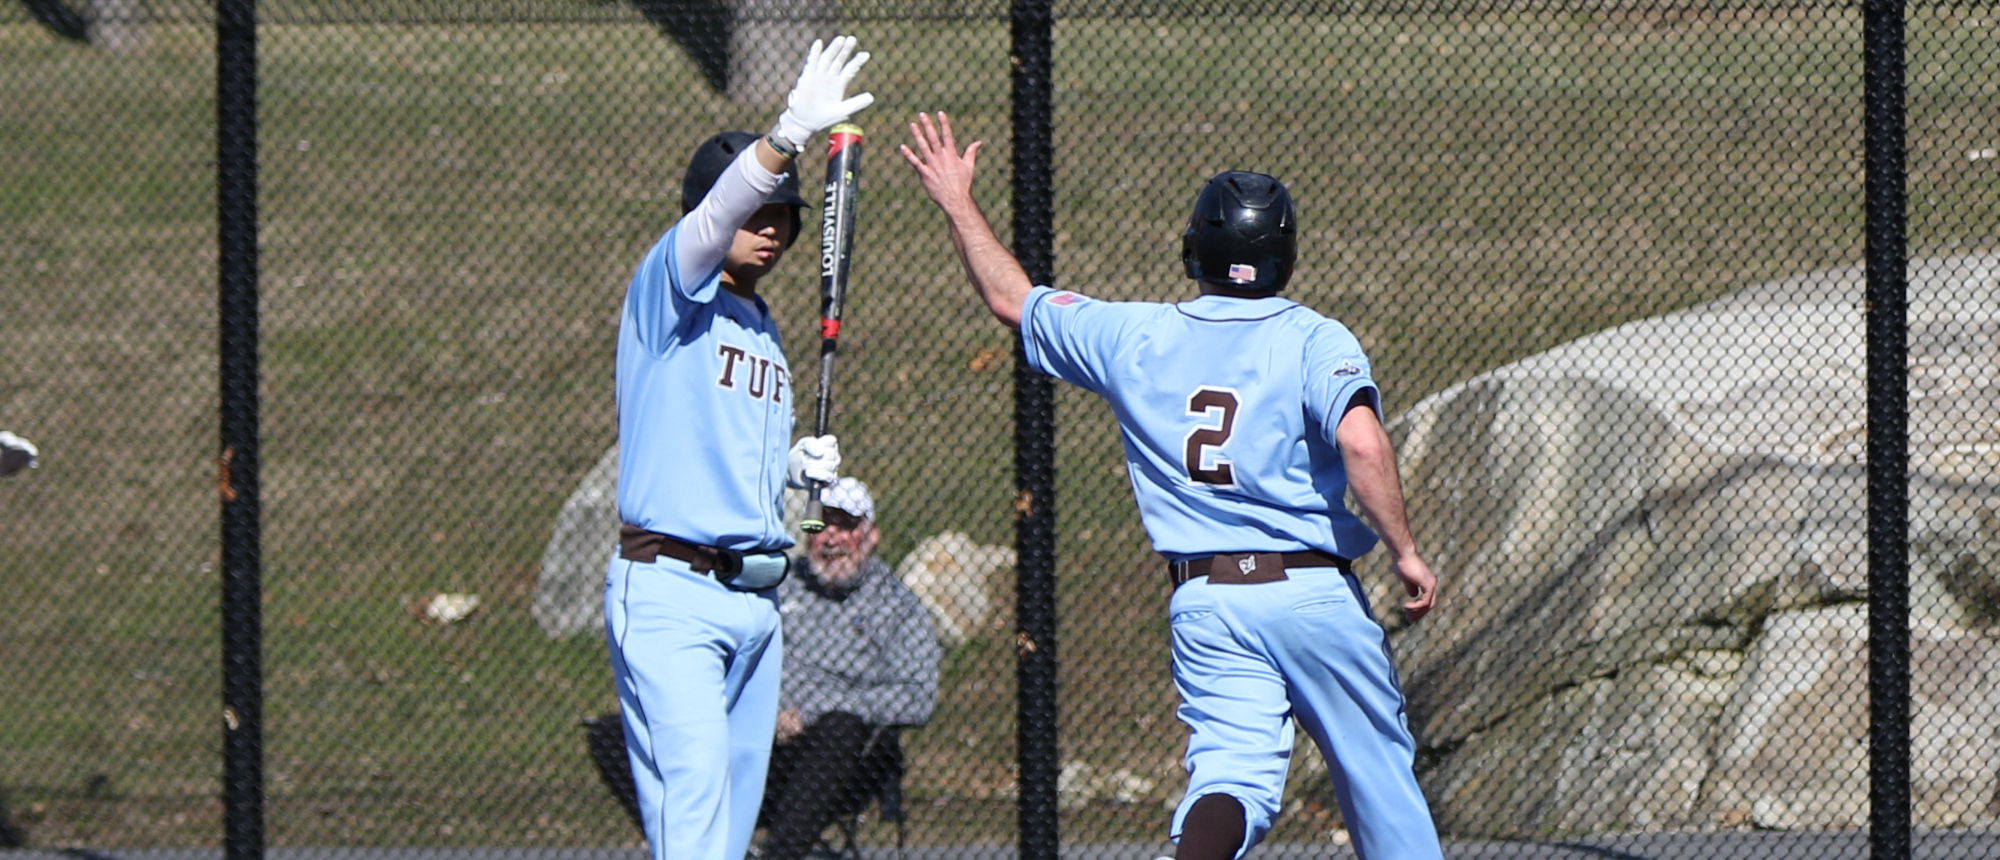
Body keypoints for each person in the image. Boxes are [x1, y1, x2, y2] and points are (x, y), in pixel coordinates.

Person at [899, 113, 1444, 860]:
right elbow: (1360, 441)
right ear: (1284, 257)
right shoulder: (1314, 336)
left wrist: (959, 201)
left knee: (1230, 776)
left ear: (1197, 249)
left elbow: (1013, 301)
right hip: (1311, 590)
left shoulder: (1135, 335)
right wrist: (1404, 550)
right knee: (1377, 776)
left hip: (1208, 598)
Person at [604, 36, 874, 860]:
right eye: (756, 213)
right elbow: (715, 218)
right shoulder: (667, 293)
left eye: (781, 217)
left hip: (756, 603)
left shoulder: (762, 325)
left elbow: (742, 472)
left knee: (722, 833)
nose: (769, 229)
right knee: (693, 808)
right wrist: (787, 135)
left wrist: (792, 478)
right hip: (672, 593)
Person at [757, 477, 940, 860]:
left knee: (840, 727)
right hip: (758, 748)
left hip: (844, 769)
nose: (831, 538)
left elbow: (917, 696)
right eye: (820, 525)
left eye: (846, 525)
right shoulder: (778, 587)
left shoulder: (897, 606)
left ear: (871, 536)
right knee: (625, 731)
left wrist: (813, 713)